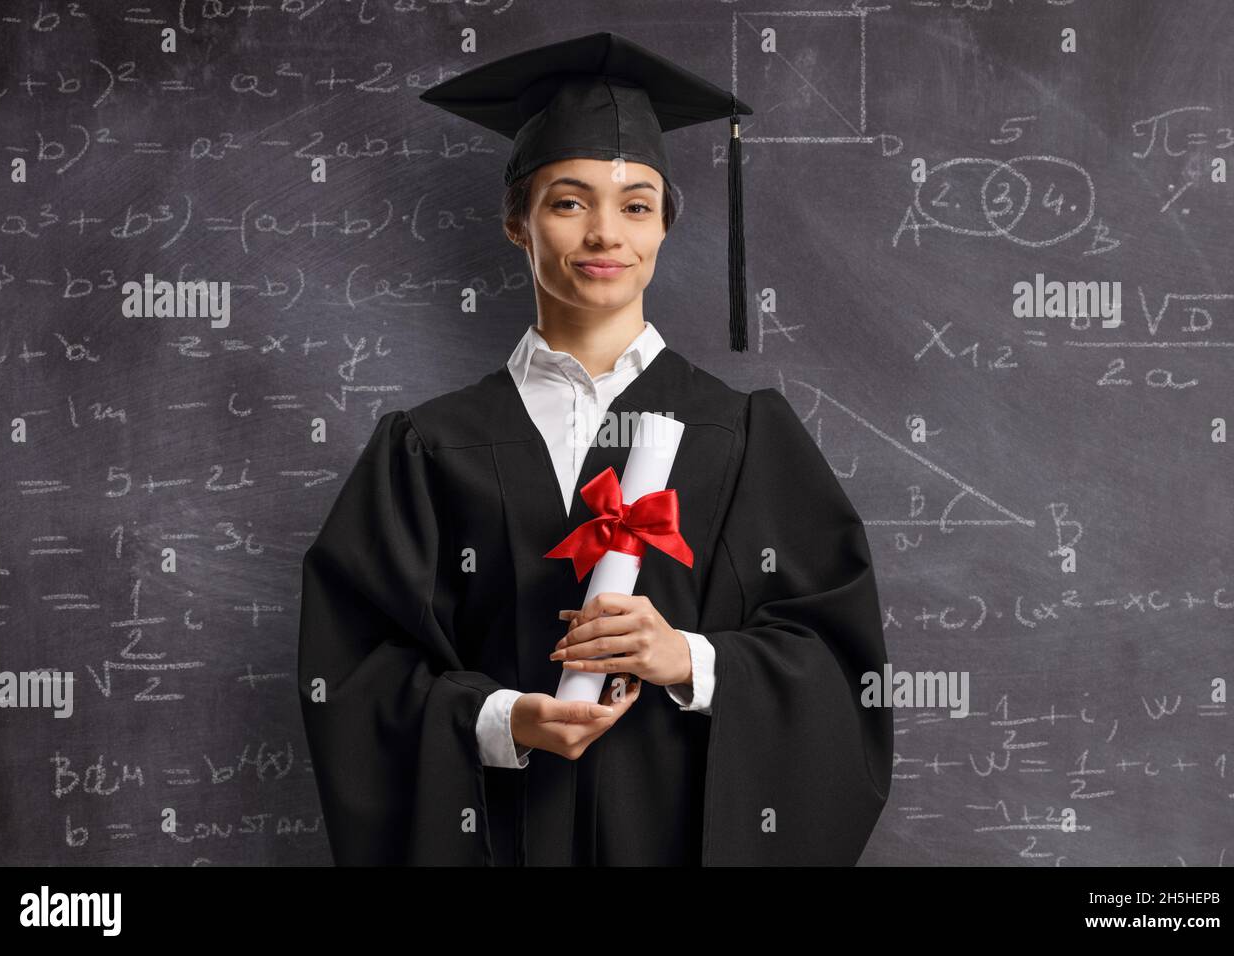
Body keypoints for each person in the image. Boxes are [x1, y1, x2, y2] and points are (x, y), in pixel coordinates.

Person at [297, 31, 891, 866]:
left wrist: (684, 656)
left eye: (637, 204)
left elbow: (836, 665)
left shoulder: (745, 435)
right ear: (516, 223)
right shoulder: (427, 448)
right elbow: (354, 677)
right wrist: (506, 718)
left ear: (664, 227)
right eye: (568, 202)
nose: (605, 233)